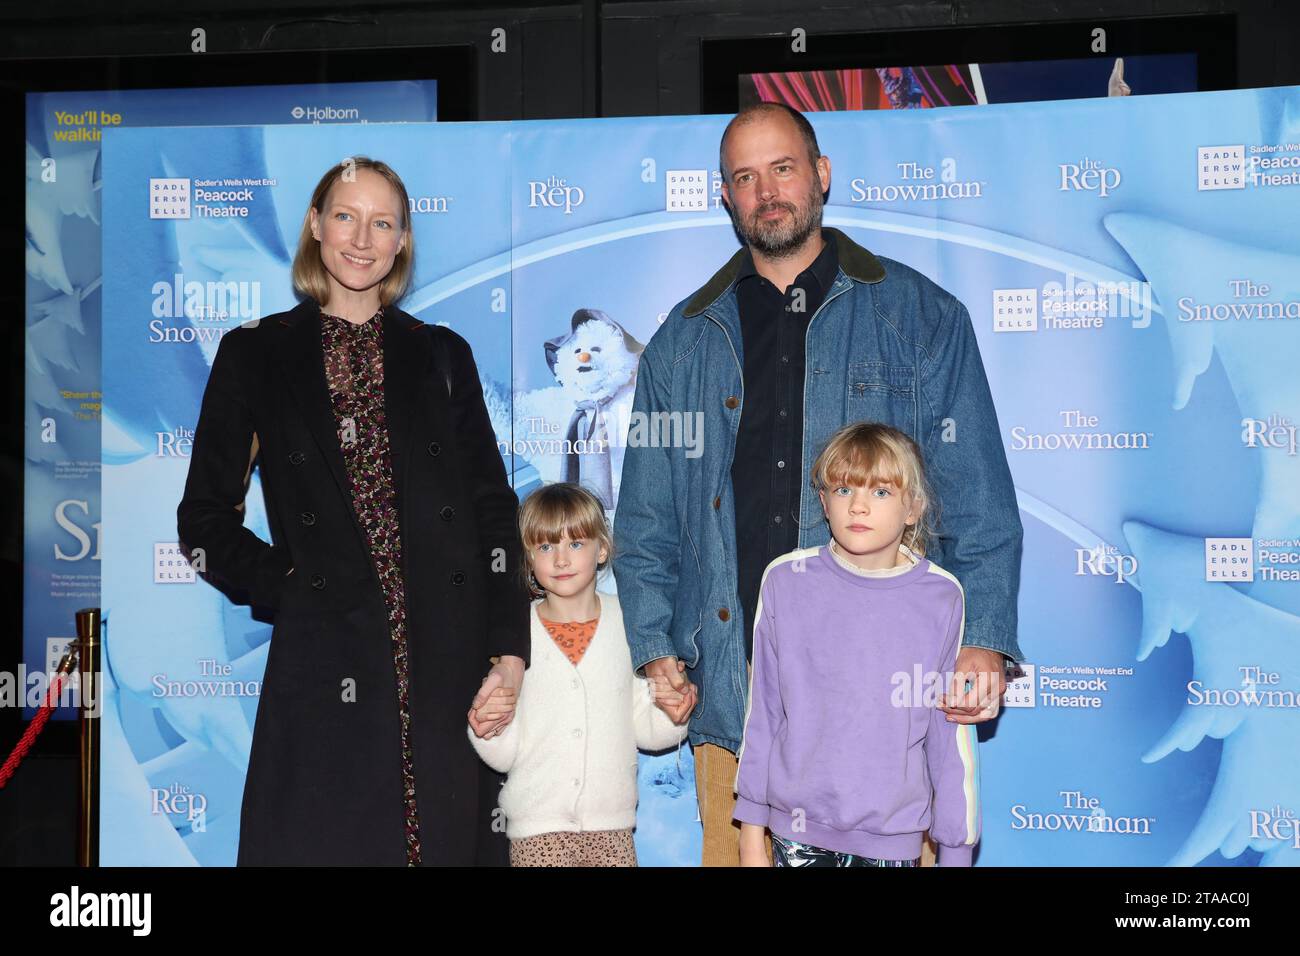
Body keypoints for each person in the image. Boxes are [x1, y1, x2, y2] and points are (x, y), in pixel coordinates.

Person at [612, 101, 1022, 866]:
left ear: (821, 175)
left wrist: (984, 641)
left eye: (783, 168)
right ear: (725, 197)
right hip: (736, 710)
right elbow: (645, 516)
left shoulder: (921, 316)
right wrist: (656, 643)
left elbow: (979, 498)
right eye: (744, 176)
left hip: (891, 719)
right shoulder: (679, 342)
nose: (766, 190)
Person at [177, 156, 528, 866]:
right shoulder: (255, 356)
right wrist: (292, 587)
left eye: (383, 223)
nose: (362, 239)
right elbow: (203, 523)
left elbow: (494, 509)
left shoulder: (440, 356)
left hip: (445, 657)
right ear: (314, 226)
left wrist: (510, 650)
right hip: (327, 655)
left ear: (402, 242)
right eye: (345, 216)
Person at [735, 423, 979, 867]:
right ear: (824, 502)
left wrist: (955, 853)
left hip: (893, 842)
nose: (859, 505)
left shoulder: (941, 596)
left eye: (881, 492)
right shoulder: (786, 582)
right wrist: (751, 833)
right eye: (844, 489)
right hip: (794, 834)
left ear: (913, 508)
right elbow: (763, 712)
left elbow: (950, 737)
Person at [467, 483, 690, 866]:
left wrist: (672, 710)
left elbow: (647, 729)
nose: (561, 559)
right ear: (529, 557)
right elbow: (504, 753)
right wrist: (488, 726)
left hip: (613, 831)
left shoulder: (631, 623)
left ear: (602, 549)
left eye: (576, 544)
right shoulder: (514, 636)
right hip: (536, 835)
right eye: (545, 546)